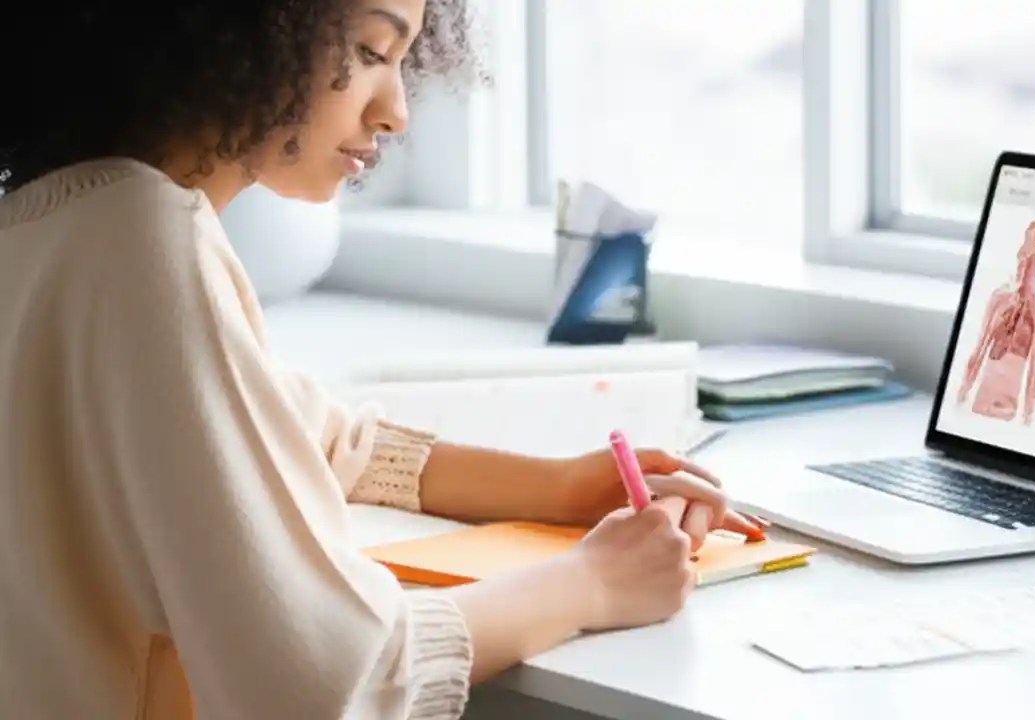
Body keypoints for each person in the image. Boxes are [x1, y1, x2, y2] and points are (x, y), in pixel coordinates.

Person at [0, 3, 765, 719]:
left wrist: (558, 487)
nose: (395, 111)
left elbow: (320, 441)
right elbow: (324, 679)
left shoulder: (54, 225)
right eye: (370, 50)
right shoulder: (145, 244)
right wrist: (590, 584)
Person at [957, 219, 1035, 424]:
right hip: (981, 404)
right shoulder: (999, 299)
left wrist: (1028, 418)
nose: (1029, 254)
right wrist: (960, 397)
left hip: (1007, 409)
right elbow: (979, 351)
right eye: (1029, 242)